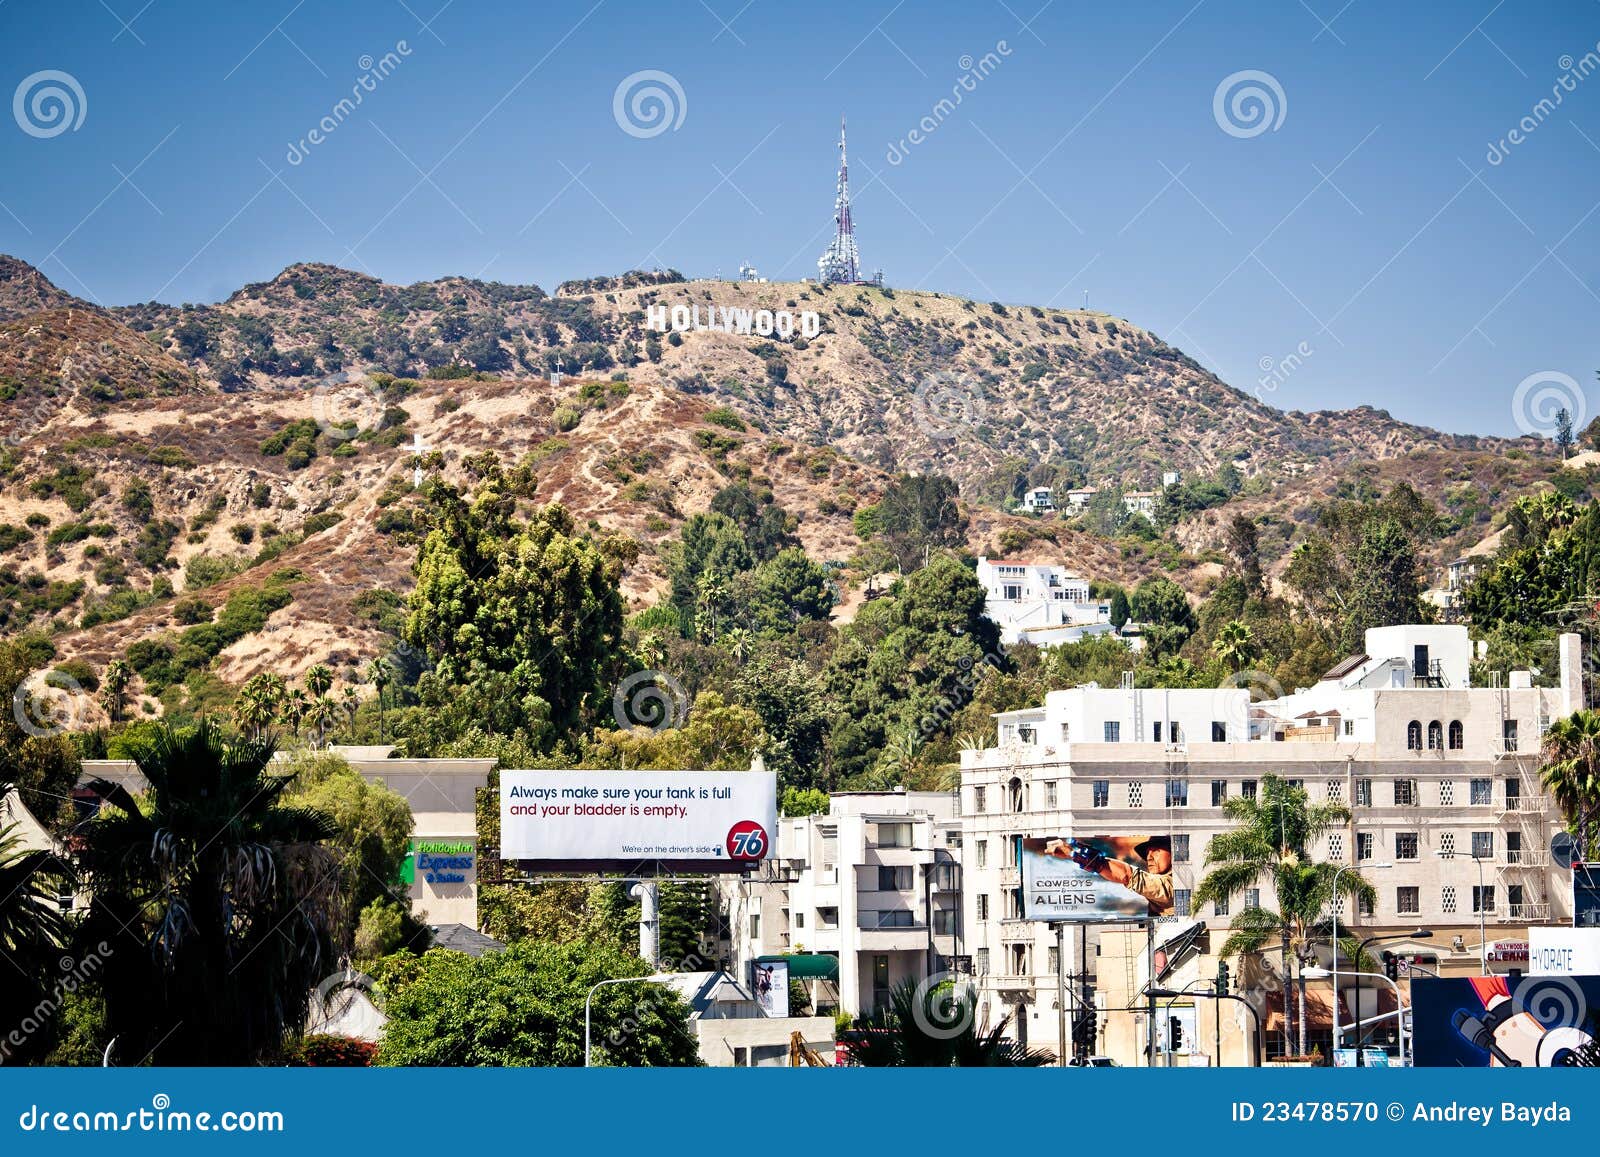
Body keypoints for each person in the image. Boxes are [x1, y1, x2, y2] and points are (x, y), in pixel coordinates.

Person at [1043, 835, 1174, 915]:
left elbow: (1127, 875)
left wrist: (1074, 853)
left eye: (1156, 851)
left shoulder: (1173, 886)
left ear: (1174, 853)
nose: (1149, 857)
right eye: (1148, 853)